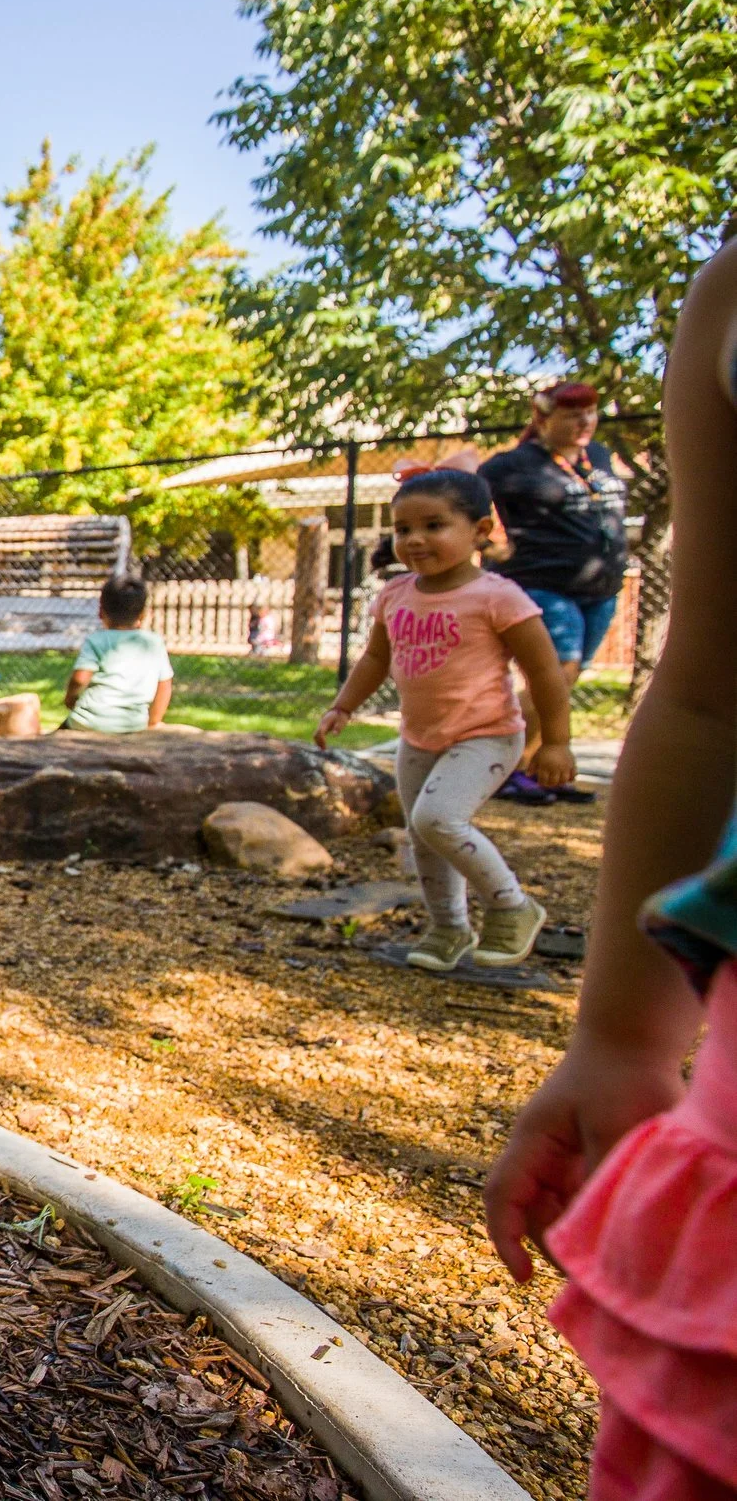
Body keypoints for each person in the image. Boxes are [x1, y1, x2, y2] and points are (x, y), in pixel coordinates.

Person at [485, 243, 737, 1501]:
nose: (580, 417)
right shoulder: (729, 293)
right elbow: (705, 692)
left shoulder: (594, 480)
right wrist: (623, 1029)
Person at [316, 469, 577, 972]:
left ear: (480, 530)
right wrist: (343, 705)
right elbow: (374, 659)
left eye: (434, 526)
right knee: (423, 838)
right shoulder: (396, 595)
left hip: (487, 736)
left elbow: (545, 672)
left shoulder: (499, 598)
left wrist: (556, 742)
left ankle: (513, 907)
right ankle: (449, 928)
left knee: (437, 820)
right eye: (403, 529)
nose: (414, 540)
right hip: (419, 738)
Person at [483, 381, 628, 805]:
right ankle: (503, 768)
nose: (585, 421)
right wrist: (490, 545)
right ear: (544, 420)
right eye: (572, 414)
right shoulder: (513, 465)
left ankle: (537, 770)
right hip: (542, 584)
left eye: (591, 412)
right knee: (557, 671)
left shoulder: (596, 456)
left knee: (567, 676)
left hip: (599, 588)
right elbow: (459, 497)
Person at [63, 575, 172, 733]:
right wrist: (154, 721)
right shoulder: (154, 643)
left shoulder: (97, 640)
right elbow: (165, 685)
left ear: (101, 611)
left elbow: (80, 679)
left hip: (88, 722)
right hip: (132, 725)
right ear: (143, 614)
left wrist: (70, 700)